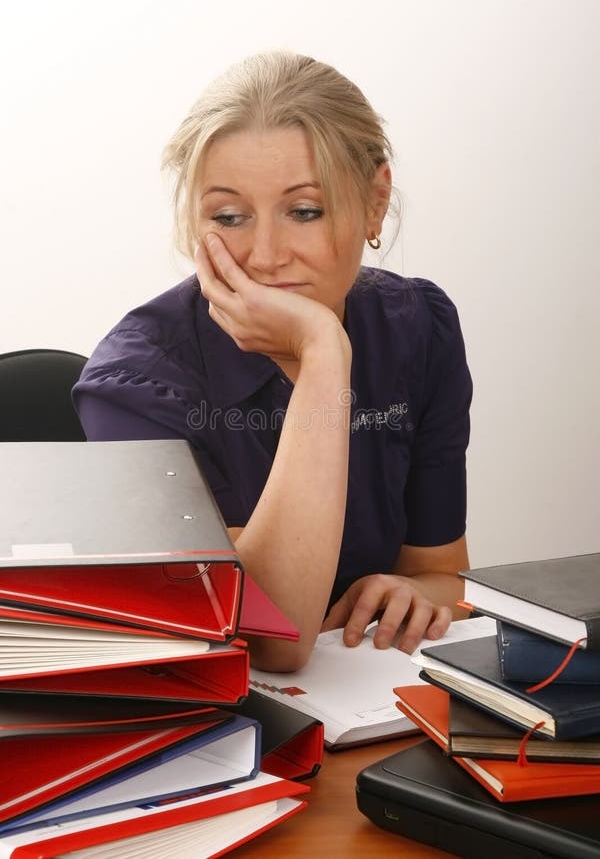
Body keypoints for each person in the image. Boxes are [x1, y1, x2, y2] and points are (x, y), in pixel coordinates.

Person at [73, 51, 472, 672]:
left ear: (374, 202)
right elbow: (272, 635)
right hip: (213, 733)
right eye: (229, 217)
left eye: (304, 211)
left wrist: (415, 595)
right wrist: (323, 355)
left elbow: (443, 573)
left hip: (373, 712)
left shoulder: (419, 328)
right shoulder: (133, 386)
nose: (264, 256)